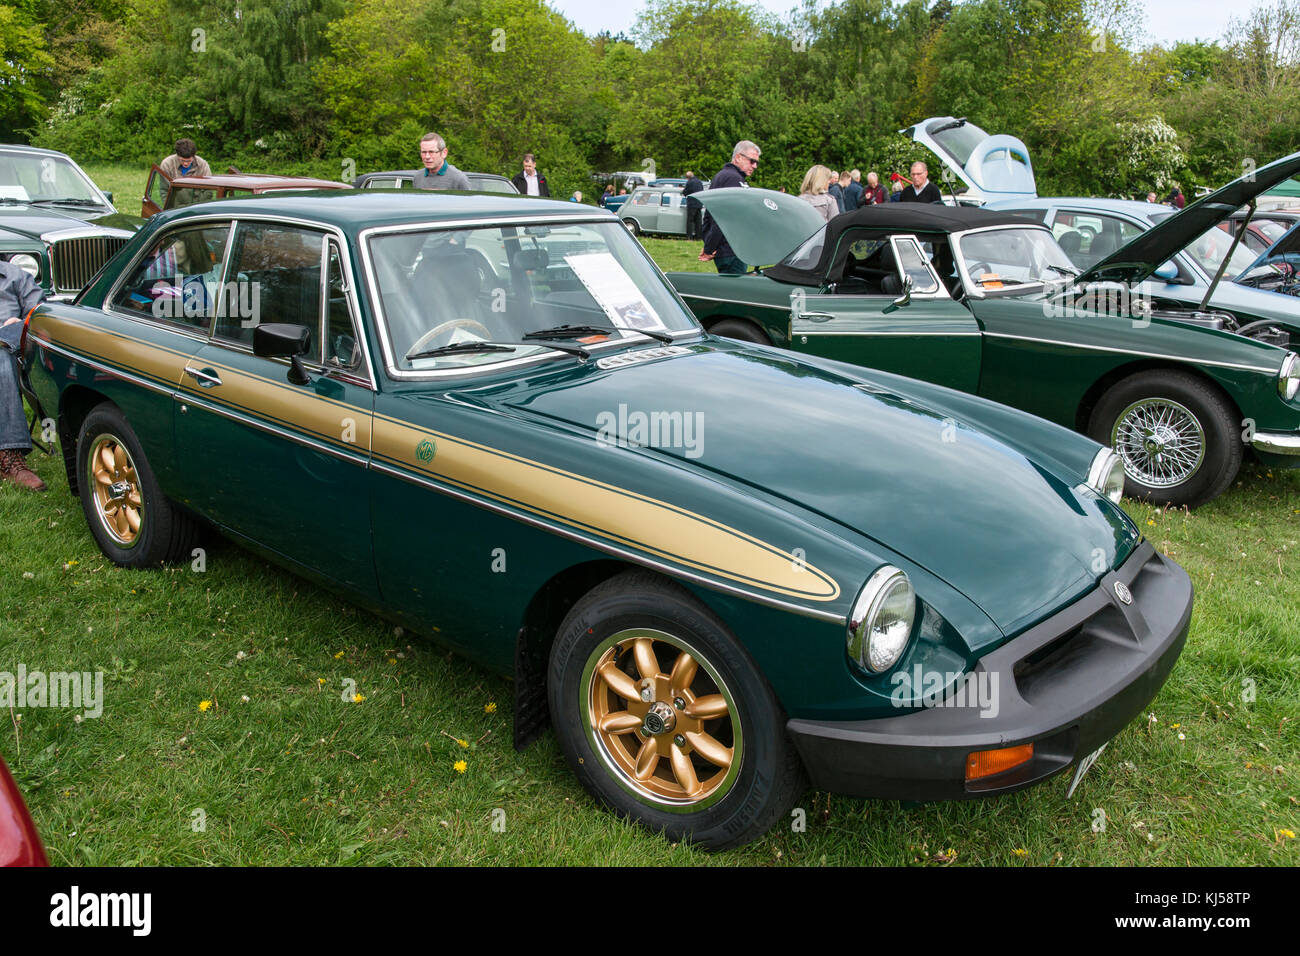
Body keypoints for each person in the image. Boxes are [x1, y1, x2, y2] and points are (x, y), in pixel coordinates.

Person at [0, 260, 46, 491]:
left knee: (4, 348)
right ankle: (9, 456)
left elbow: (40, 311)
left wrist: (21, 321)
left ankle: (10, 455)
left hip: (14, 349)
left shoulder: (14, 275)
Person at [700, 140, 759, 274]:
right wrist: (710, 247)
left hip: (728, 249)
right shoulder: (732, 179)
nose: (755, 166)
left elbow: (712, 214)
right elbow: (723, 217)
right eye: (752, 161)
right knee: (735, 292)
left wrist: (709, 244)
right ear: (738, 157)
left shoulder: (727, 176)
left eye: (757, 162)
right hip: (731, 249)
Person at [682, 170, 705, 239]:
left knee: (690, 221)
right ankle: (698, 237)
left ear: (688, 178)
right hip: (699, 203)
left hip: (692, 204)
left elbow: (685, 192)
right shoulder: (699, 182)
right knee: (698, 221)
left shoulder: (689, 182)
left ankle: (689, 236)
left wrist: (683, 191)